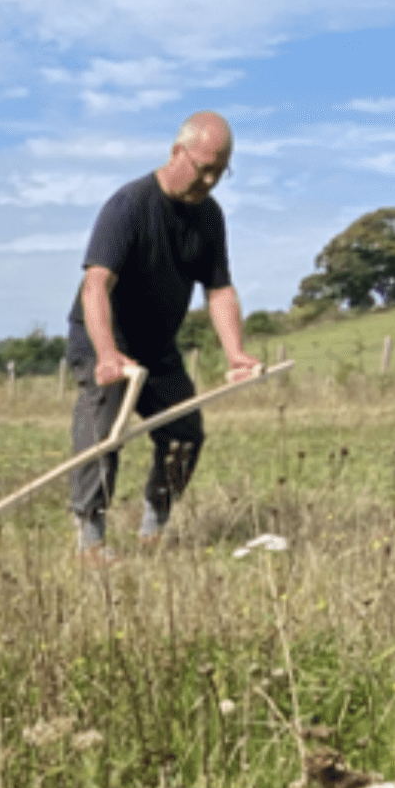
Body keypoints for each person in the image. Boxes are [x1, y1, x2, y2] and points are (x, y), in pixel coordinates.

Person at [65, 110, 262, 563]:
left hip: (157, 345)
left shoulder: (209, 218)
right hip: (105, 337)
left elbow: (219, 290)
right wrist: (109, 354)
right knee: (104, 433)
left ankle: (154, 527)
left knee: (184, 433)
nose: (211, 180)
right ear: (178, 152)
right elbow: (96, 285)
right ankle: (91, 541)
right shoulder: (129, 205)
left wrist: (235, 353)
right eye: (204, 167)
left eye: (220, 170)